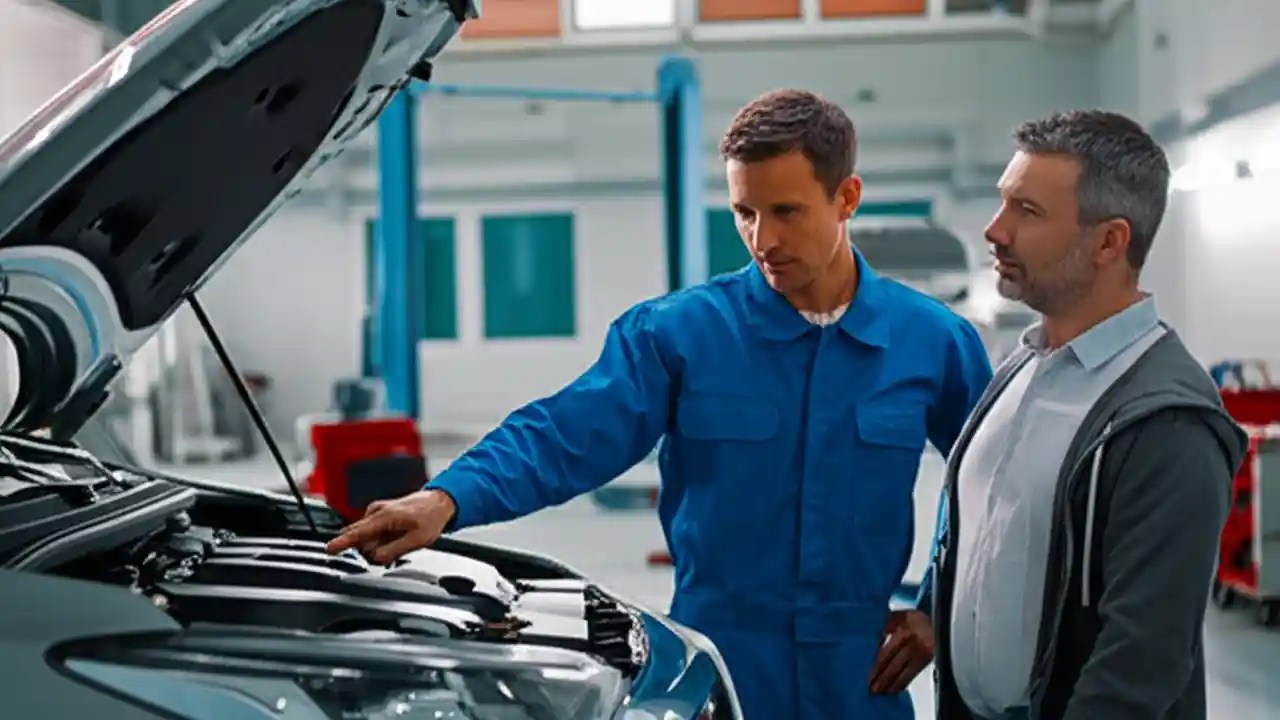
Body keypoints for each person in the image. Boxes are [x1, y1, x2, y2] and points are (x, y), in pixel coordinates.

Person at [327, 89, 994, 719]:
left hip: (861, 680)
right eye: (744, 213)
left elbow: (995, 487)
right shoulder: (680, 336)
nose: (763, 240)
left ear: (846, 197)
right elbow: (565, 434)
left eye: (786, 212)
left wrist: (938, 604)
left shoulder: (931, 342)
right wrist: (447, 498)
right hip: (721, 670)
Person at [918, 110, 1248, 720]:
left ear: (1108, 242)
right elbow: (990, 532)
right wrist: (932, 611)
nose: (996, 231)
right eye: (1004, 203)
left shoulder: (1168, 421)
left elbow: (1142, 658)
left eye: (1028, 212)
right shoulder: (1020, 370)